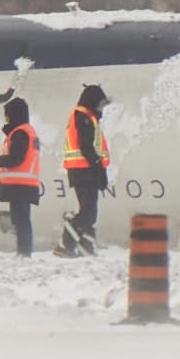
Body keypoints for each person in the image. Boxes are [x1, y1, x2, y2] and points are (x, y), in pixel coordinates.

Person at [57, 84, 113, 258]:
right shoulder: (82, 116)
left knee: (90, 211)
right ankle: (65, 244)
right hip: (83, 170)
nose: (102, 108)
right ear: (93, 101)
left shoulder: (89, 117)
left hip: (86, 170)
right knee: (87, 210)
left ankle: (86, 247)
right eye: (101, 104)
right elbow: (86, 145)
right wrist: (97, 166)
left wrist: (100, 170)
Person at [0, 97, 42, 257]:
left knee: (20, 221)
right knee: (22, 220)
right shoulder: (27, 131)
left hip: (19, 184)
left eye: (7, 114)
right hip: (25, 183)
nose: (6, 118)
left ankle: (24, 252)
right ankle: (24, 251)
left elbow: (16, 158)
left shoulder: (20, 133)